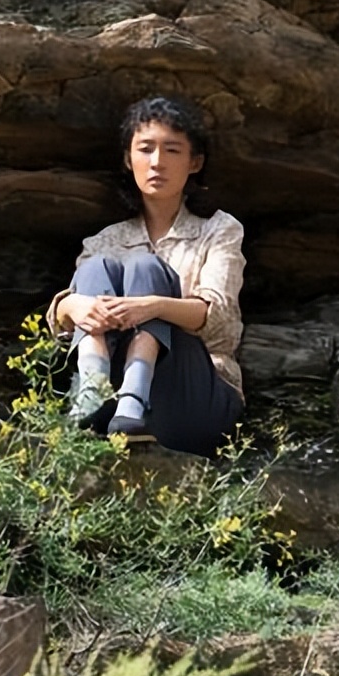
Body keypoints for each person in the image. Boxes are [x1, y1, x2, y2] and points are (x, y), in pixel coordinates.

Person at [47, 96, 245, 457]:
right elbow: (63, 326)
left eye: (172, 150)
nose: (157, 162)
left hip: (192, 396)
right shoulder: (104, 241)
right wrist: (70, 306)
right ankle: (92, 393)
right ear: (128, 159)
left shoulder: (219, 230)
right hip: (113, 394)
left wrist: (152, 306)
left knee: (145, 267)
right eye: (145, 149)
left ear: (195, 162)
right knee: (95, 268)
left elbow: (218, 320)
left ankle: (134, 397)